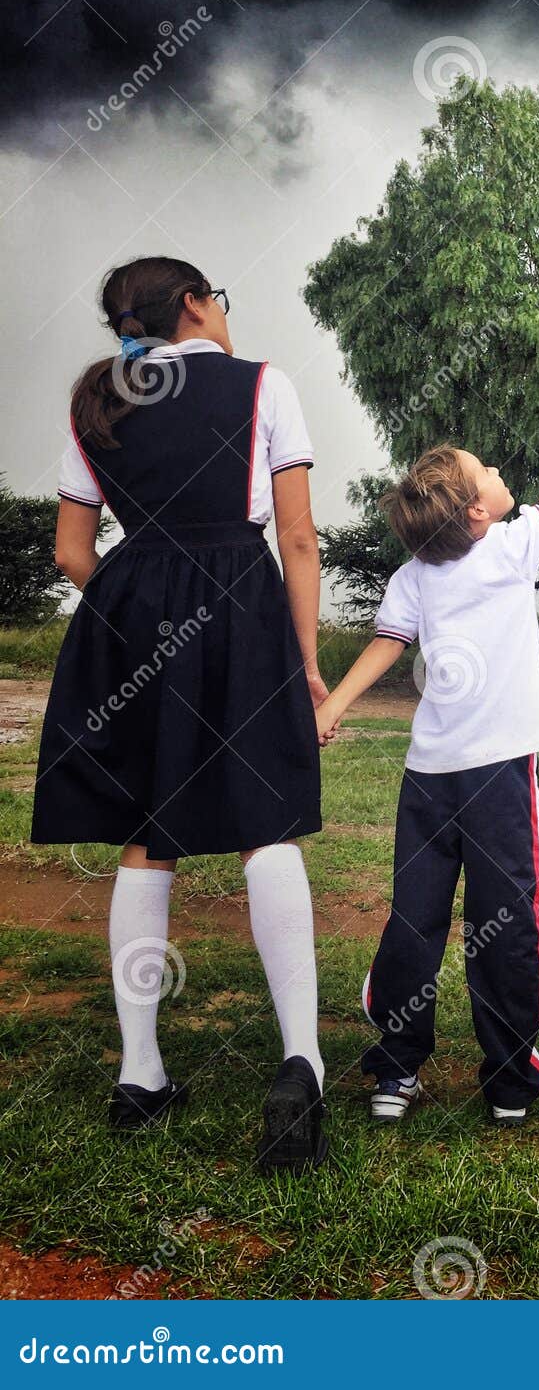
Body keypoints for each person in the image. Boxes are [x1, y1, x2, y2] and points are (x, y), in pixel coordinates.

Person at [32, 256, 330, 1173]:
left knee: (144, 832)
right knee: (266, 824)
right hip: (240, 601)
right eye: (220, 302)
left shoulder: (96, 403)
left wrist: (134, 604)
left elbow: (71, 550)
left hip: (129, 615)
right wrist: (309, 664)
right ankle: (302, 1064)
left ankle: (141, 1075)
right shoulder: (265, 384)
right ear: (197, 305)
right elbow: (297, 538)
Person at [316, 335, 539, 1123]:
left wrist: (333, 705)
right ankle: (508, 1081)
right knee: (505, 922)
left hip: (428, 777)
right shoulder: (512, 549)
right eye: (490, 473)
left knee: (416, 918)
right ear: (477, 511)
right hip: (501, 775)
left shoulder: (414, 576)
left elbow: (383, 649)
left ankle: (394, 1074)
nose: (505, 474)